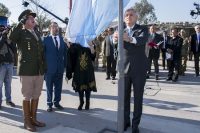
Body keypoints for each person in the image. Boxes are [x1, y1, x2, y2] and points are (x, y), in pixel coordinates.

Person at [9, 10, 46, 132]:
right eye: (30, 18)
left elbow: (40, 51)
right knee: (27, 96)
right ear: (25, 21)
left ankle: (34, 118)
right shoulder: (21, 32)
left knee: (36, 94)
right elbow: (11, 37)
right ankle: (27, 122)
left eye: (33, 18)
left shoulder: (36, 32)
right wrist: (20, 24)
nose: (33, 19)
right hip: (27, 70)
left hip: (38, 70)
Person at [113, 8, 148, 133]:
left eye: (131, 15)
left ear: (136, 17)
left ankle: (135, 125)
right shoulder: (120, 30)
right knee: (124, 98)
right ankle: (125, 122)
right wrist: (115, 39)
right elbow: (115, 46)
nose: (128, 17)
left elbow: (142, 40)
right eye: (126, 15)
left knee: (138, 99)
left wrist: (129, 39)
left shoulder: (142, 29)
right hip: (124, 69)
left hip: (139, 69)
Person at [43, 22, 67, 112]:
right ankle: (49, 104)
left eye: (56, 27)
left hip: (59, 69)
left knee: (58, 87)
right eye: (53, 27)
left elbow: (65, 54)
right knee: (49, 88)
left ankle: (57, 102)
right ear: (50, 28)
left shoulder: (62, 39)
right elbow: (42, 55)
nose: (55, 29)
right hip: (49, 69)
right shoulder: (45, 40)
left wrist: (65, 66)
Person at [67, 42, 97, 111]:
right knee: (80, 86)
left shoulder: (90, 43)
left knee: (88, 86)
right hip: (79, 70)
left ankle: (87, 102)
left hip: (88, 70)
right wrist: (69, 46)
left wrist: (92, 47)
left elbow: (93, 57)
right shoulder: (76, 44)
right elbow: (72, 54)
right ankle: (81, 102)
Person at [0, 22, 16, 109]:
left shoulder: (8, 38)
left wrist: (8, 39)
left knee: (8, 84)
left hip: (10, 64)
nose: (3, 30)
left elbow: (14, 49)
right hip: (1, 65)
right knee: (0, 84)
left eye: (4, 28)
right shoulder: (1, 37)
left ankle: (8, 100)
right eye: (1, 29)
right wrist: (3, 36)